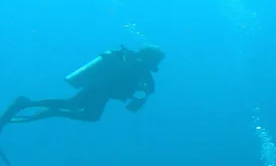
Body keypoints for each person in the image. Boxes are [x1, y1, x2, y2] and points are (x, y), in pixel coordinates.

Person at [0, 45, 165, 130]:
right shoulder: (137, 65)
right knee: (77, 108)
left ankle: (35, 107)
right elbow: (130, 81)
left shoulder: (136, 64)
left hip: (100, 90)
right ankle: (28, 104)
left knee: (78, 109)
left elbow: (137, 85)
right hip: (99, 89)